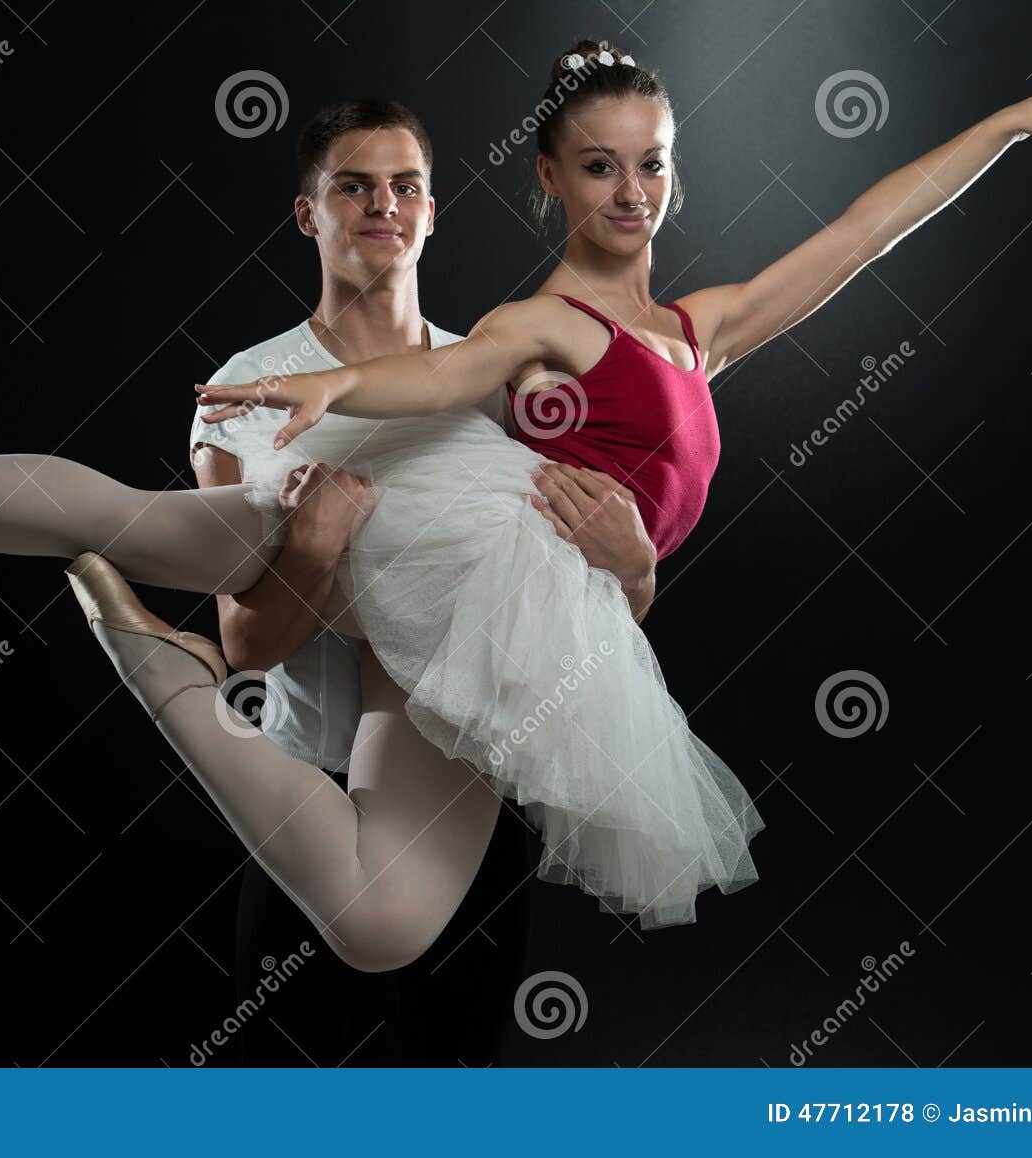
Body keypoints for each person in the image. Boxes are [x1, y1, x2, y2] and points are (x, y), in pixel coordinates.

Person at [0, 40, 1032, 971]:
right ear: (549, 179)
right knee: (159, 522)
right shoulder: (540, 321)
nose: (632, 192)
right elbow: (450, 378)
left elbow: (861, 233)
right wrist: (330, 394)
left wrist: (1004, 124)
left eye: (653, 167)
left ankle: (135, 646)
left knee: (380, 931)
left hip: (517, 625)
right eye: (600, 167)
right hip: (454, 537)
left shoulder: (702, 329)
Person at [196, 98, 653, 1064]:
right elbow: (245, 644)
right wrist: (314, 546)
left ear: (433, 212)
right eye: (353, 187)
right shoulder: (245, 392)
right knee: (282, 1082)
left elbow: (580, 616)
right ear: (307, 213)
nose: (383, 206)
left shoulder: (504, 385)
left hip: (472, 793)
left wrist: (636, 568)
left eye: (405, 186)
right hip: (310, 789)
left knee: (453, 1083)